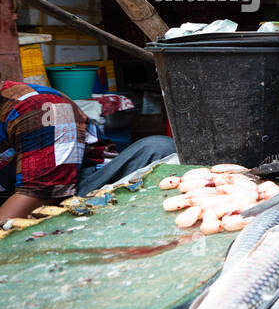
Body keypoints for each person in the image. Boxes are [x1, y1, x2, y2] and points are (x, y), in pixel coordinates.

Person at [0, 80, 175, 222]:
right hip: (20, 193)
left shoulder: (40, 107)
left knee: (159, 148)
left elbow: (39, 193)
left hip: (86, 188)